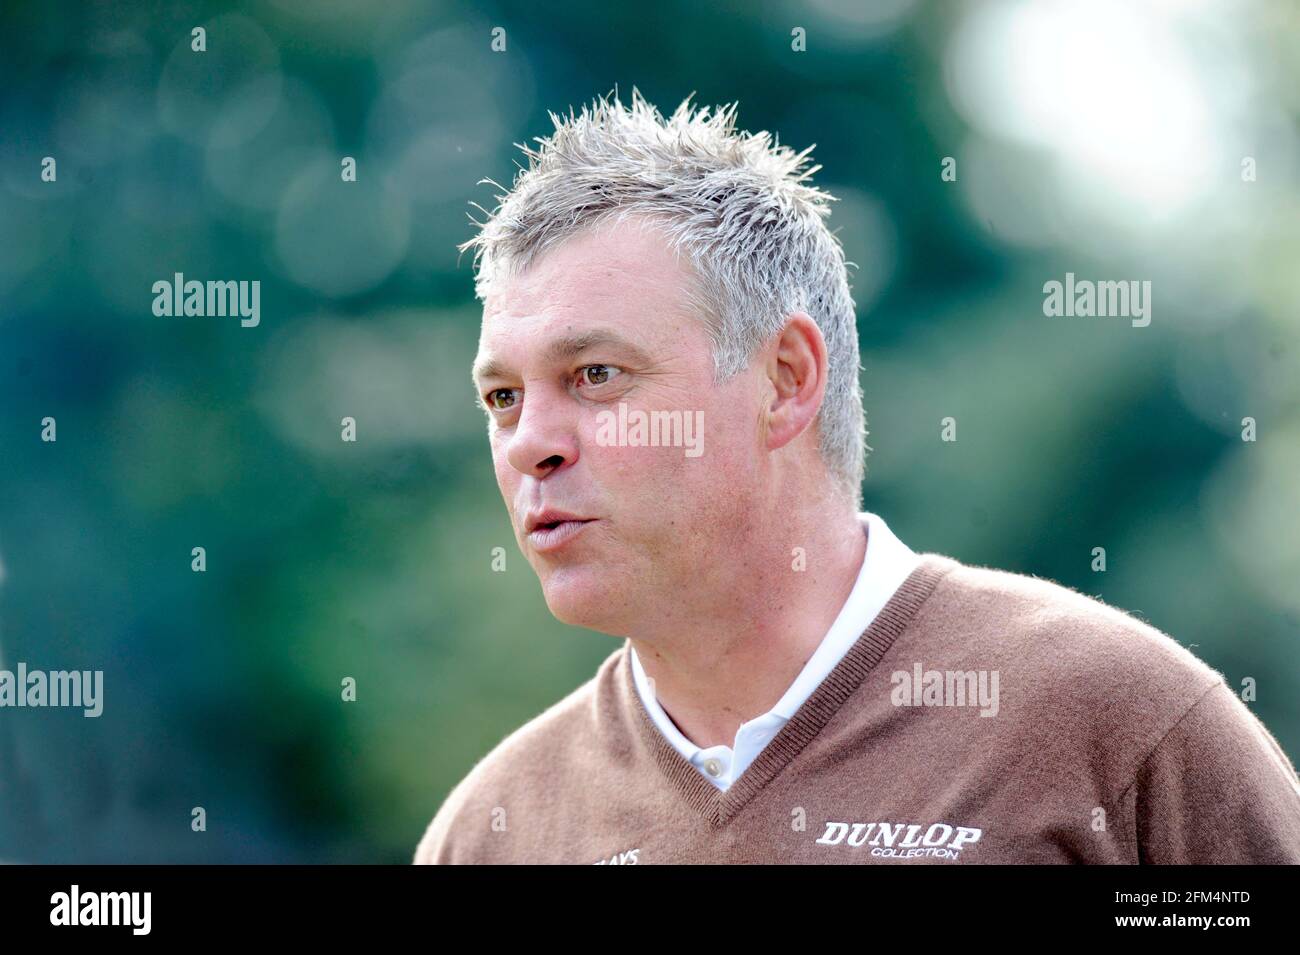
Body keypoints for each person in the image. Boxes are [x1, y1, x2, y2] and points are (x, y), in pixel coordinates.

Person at [415, 89, 1300, 864]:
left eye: (596, 375)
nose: (531, 441)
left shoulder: (1119, 724)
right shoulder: (490, 832)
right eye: (501, 396)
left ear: (788, 379)